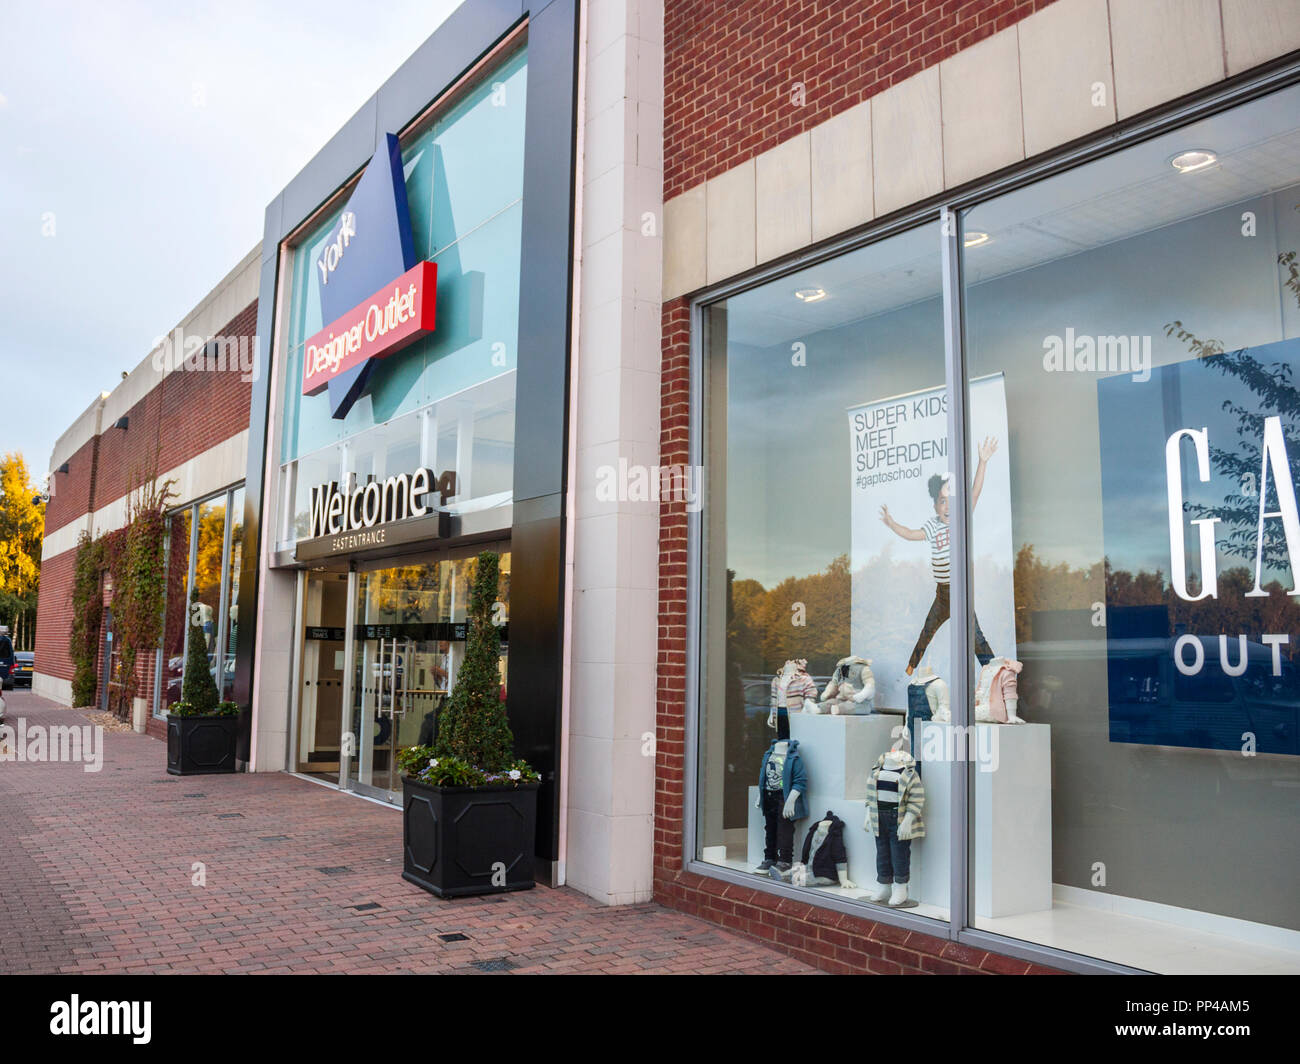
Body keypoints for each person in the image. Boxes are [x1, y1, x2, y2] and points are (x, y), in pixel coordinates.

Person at [879, 437, 998, 675]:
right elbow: (911, 533)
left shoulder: (960, 519)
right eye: (942, 501)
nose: (947, 507)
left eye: (951, 501)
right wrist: (892, 524)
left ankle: (993, 671)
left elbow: (974, 493)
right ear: (935, 505)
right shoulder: (933, 526)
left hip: (960, 591)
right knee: (928, 629)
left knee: (976, 637)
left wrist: (982, 462)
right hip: (942, 593)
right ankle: (911, 666)